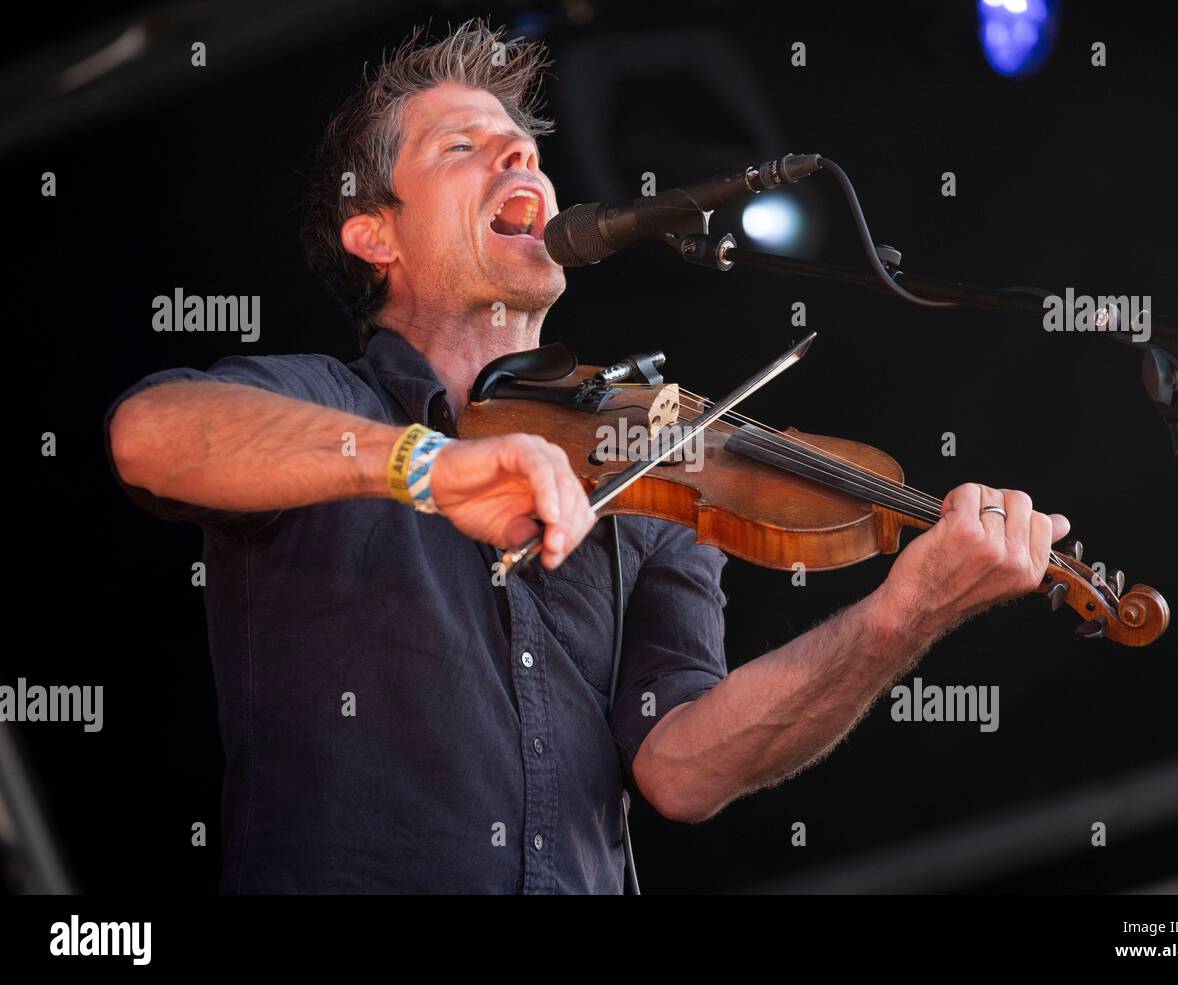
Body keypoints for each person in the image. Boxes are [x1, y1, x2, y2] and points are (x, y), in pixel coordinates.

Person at [105, 20, 1068, 893]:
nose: (517, 152)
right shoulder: (328, 405)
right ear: (375, 233)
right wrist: (424, 466)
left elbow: (682, 767)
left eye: (521, 146)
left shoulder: (650, 463)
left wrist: (902, 614)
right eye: (461, 148)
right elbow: (149, 432)